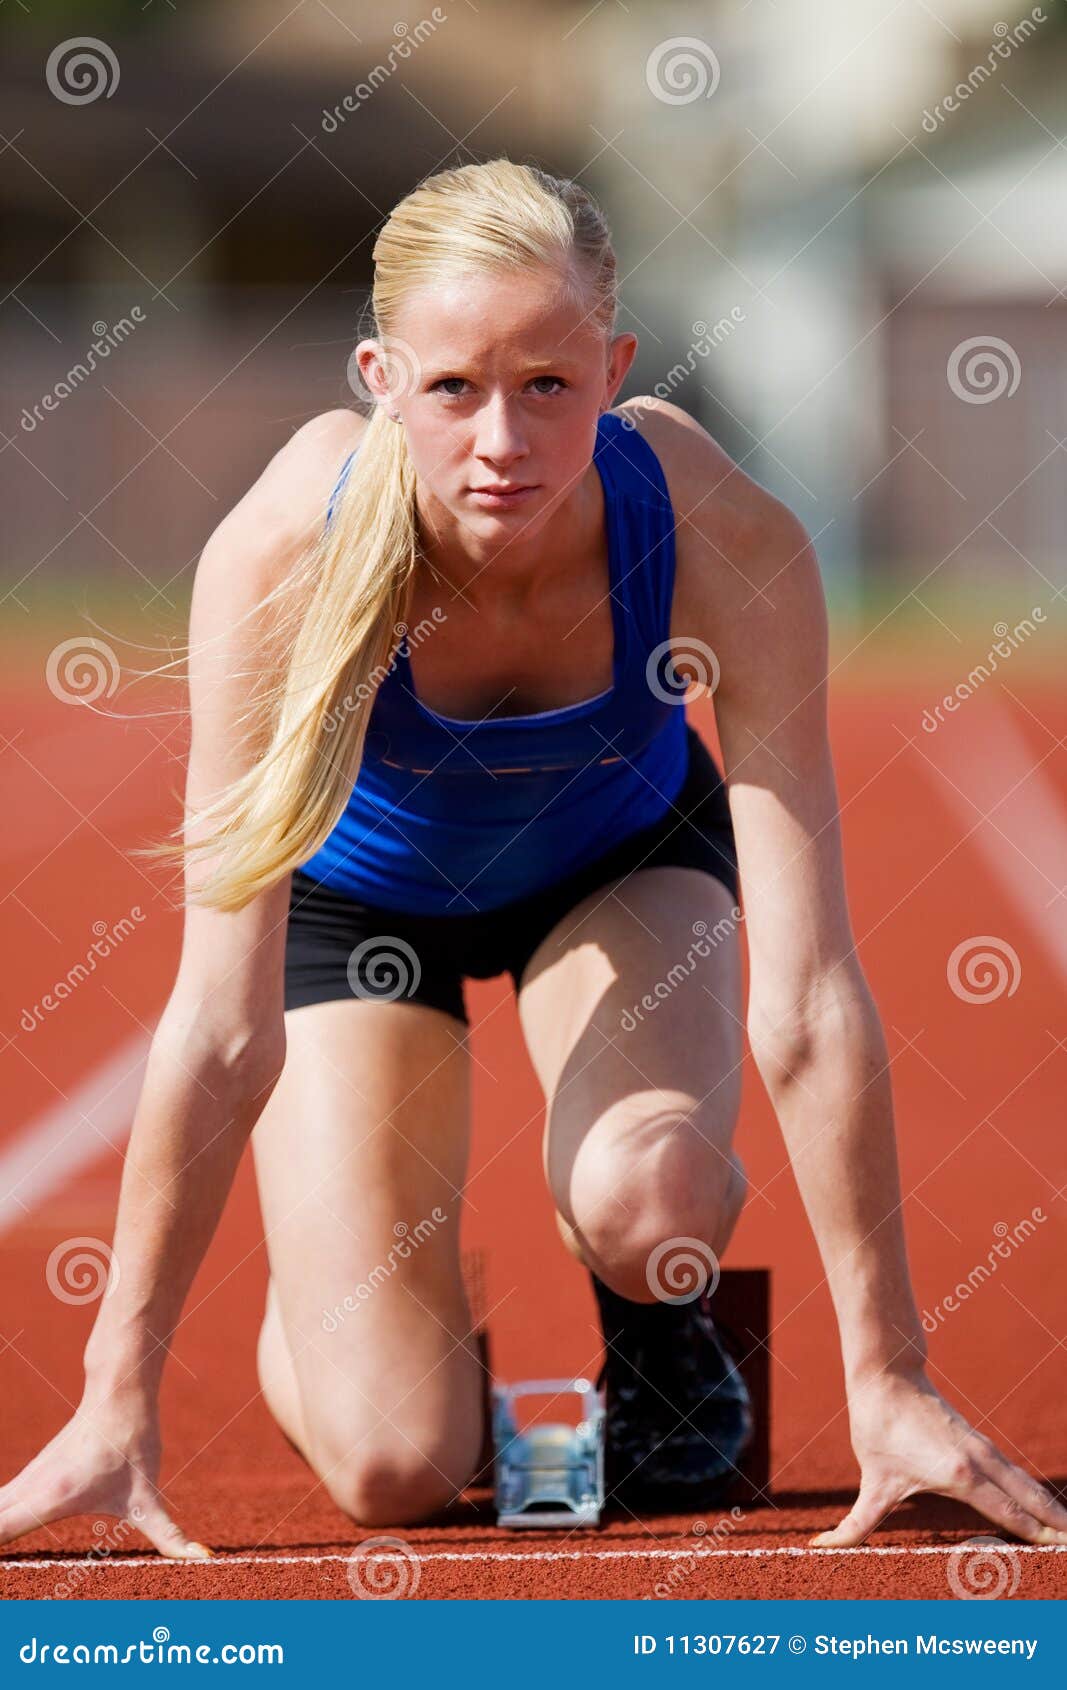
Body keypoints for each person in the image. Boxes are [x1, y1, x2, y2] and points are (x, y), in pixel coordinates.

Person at [3, 158, 1065, 1560]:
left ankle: (664, 1332)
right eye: (453, 389)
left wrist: (890, 1377)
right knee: (392, 1459)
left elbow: (808, 999)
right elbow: (215, 1018)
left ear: (614, 368)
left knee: (652, 1190)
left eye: (549, 386)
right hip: (359, 901)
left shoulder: (714, 530)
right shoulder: (277, 557)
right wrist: (113, 1395)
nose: (502, 438)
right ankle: (352, 1320)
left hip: (616, 867)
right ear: (381, 375)